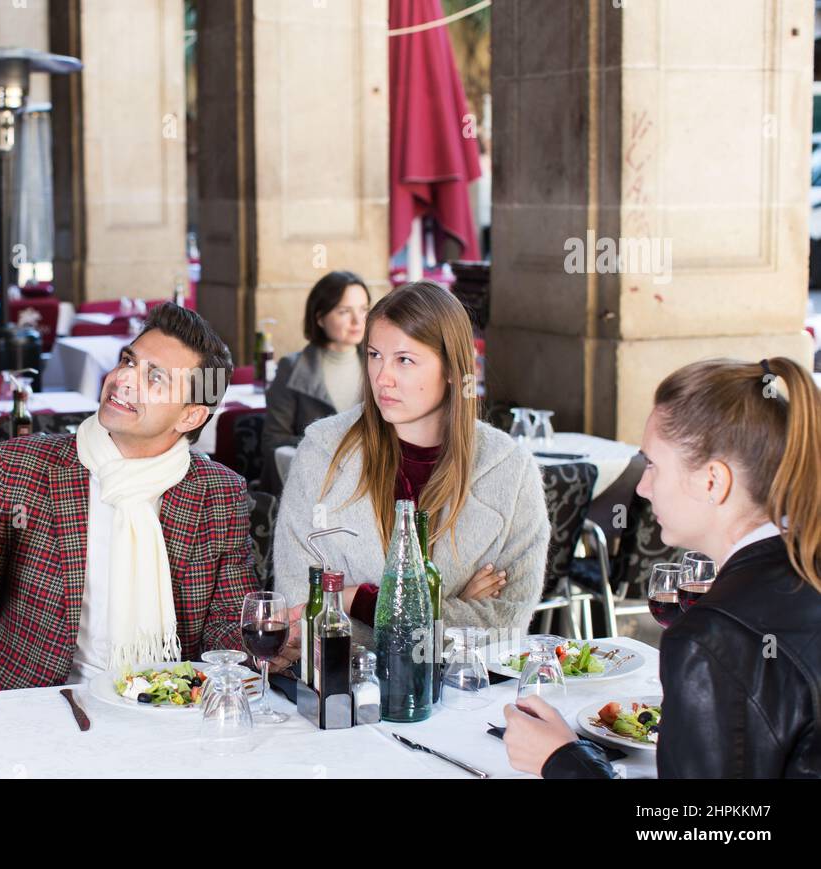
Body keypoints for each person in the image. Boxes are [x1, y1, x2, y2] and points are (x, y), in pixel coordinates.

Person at [503, 357, 821, 778]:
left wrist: (562, 760)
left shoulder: (711, 639)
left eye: (652, 464)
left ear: (712, 482)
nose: (641, 487)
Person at [0, 304, 258, 690]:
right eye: (128, 360)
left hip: (163, 712)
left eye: (155, 377)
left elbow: (227, 629)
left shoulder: (219, 492)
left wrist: (278, 641)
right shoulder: (18, 467)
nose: (123, 379)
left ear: (190, 417)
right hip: (35, 711)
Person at [271, 281, 550, 661]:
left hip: (465, 698)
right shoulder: (323, 452)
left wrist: (356, 599)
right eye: (373, 355)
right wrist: (450, 608)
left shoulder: (510, 469)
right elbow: (302, 618)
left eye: (404, 360)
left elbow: (506, 625)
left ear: (453, 369)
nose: (382, 377)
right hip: (348, 699)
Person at [260, 271, 370, 493]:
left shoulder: (378, 364)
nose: (358, 321)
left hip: (371, 480)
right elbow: (274, 441)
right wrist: (330, 450)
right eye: (344, 312)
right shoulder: (292, 367)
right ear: (320, 318)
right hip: (312, 485)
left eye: (364, 310)